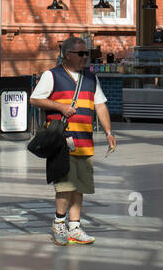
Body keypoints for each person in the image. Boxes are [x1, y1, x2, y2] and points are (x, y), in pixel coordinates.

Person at [30, 35, 117, 246]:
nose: (85, 57)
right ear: (67, 55)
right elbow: (35, 98)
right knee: (65, 186)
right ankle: (58, 223)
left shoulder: (90, 78)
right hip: (62, 141)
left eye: (86, 53)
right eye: (81, 54)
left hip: (85, 140)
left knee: (80, 186)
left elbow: (100, 105)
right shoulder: (52, 76)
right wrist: (60, 107)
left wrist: (108, 132)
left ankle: (75, 227)